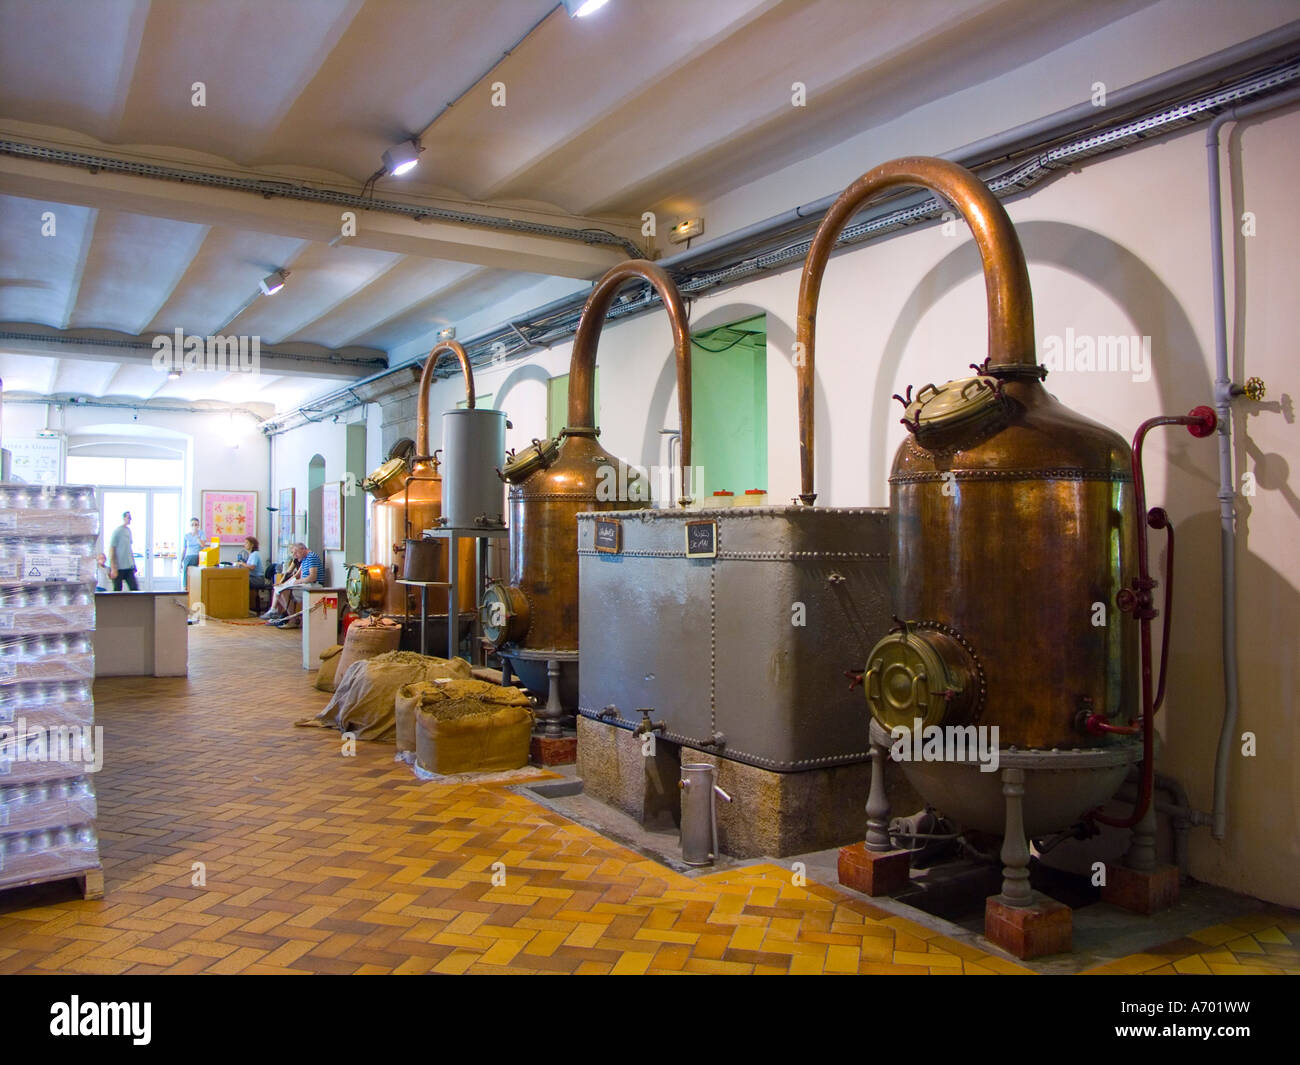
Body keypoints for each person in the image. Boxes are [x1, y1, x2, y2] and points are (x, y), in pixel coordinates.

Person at [262, 542, 322, 624]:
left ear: (303, 549)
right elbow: (297, 574)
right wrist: (283, 583)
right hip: (306, 584)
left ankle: (292, 619)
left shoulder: (311, 557)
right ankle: (291, 617)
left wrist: (298, 581)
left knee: (284, 592)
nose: (295, 555)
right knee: (279, 590)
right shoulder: (305, 558)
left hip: (313, 585)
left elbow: (312, 577)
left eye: (296, 552)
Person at [108, 511, 139, 591]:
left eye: (130, 518)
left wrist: (133, 564)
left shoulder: (128, 531)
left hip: (129, 566)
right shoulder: (117, 531)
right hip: (119, 567)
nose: (130, 519)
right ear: (124, 518)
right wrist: (113, 568)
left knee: (134, 588)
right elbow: (112, 549)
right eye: (128, 517)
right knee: (117, 590)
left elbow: (129, 549)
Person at [181, 518, 203, 590]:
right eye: (192, 525)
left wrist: (197, 536)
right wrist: (181, 560)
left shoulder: (201, 533)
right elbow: (184, 549)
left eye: (196, 525)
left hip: (198, 556)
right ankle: (185, 586)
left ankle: (196, 587)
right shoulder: (186, 536)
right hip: (188, 556)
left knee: (197, 572)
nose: (194, 526)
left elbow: (202, 545)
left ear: (198, 525)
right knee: (185, 569)